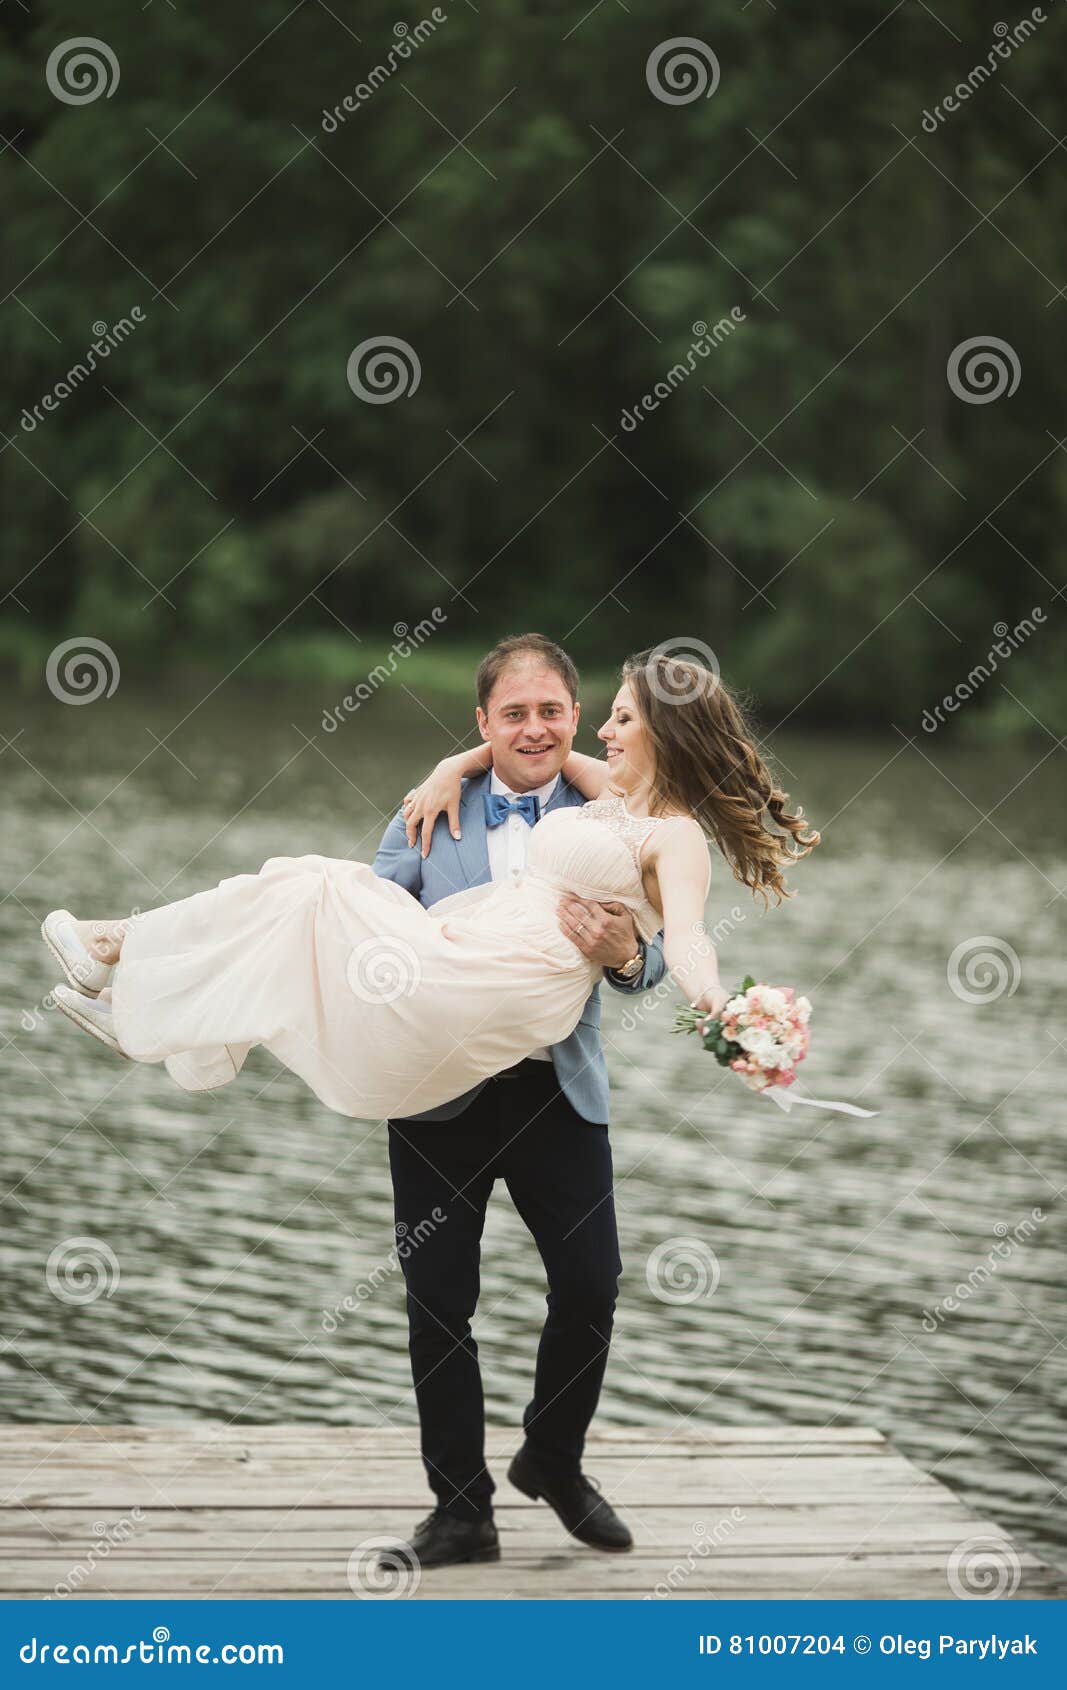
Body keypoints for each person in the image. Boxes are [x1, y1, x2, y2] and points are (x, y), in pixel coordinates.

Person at [40, 636, 819, 1565]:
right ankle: (460, 1510)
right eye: (513, 715)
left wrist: (688, 991)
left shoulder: (623, 802)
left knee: (590, 1284)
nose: (549, 729)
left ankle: (554, 1461)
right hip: (433, 1064)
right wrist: (454, 768)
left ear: (585, 719)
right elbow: (372, 913)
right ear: (483, 723)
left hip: (549, 1086)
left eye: (567, 712)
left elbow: (671, 944)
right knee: (436, 1295)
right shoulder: (436, 808)